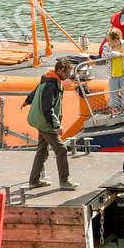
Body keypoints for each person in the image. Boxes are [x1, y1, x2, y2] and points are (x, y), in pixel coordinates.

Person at [25, 59, 77, 191]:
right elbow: (47, 108)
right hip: (46, 122)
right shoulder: (51, 85)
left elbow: (36, 91)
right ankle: (65, 181)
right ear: (59, 71)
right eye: (67, 73)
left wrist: (27, 101)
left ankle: (34, 181)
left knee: (42, 150)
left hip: (41, 121)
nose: (68, 76)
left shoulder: (48, 79)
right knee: (62, 150)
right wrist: (57, 125)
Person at [99, 27, 124, 114]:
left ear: (116, 40)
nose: (107, 42)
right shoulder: (107, 46)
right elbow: (103, 55)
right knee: (113, 92)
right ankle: (114, 108)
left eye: (109, 40)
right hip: (113, 74)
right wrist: (113, 54)